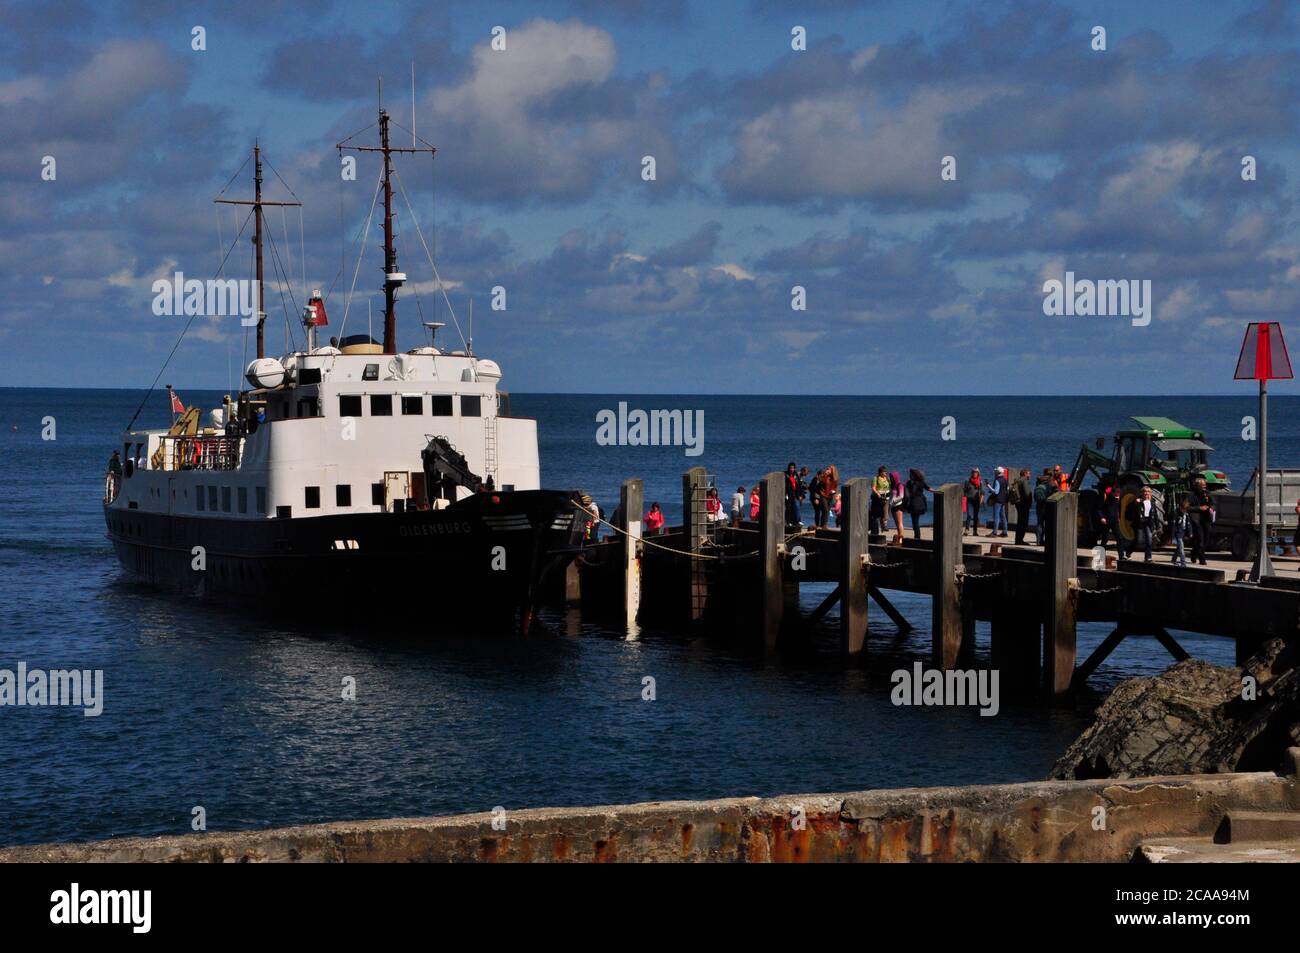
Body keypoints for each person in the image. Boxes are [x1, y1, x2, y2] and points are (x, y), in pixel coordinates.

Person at [1127, 485, 1162, 562]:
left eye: (1148, 492)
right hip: (1139, 523)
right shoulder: (1138, 501)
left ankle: (1148, 558)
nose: (1146, 493)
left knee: (1149, 541)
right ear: (1142, 493)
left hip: (1148, 523)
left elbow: (1155, 515)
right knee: (1138, 541)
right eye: (1145, 492)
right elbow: (1129, 509)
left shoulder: (1152, 502)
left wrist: (1157, 525)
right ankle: (1128, 553)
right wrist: (1135, 502)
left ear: (1150, 493)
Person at [1186, 476, 1214, 565]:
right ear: (1197, 486)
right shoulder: (1191, 495)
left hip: (1206, 518)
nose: (1204, 487)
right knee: (1200, 539)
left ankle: (1194, 552)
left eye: (1205, 485)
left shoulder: (1207, 494)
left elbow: (1213, 504)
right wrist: (1199, 508)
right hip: (1196, 519)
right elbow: (1186, 507)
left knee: (1206, 539)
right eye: (1202, 485)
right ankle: (1202, 559)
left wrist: (1211, 508)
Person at [904, 468, 931, 540]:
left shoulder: (910, 483)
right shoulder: (921, 482)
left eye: (910, 474)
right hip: (921, 503)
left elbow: (906, 494)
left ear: (913, 475)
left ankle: (917, 537)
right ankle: (917, 536)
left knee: (915, 522)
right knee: (916, 521)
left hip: (914, 504)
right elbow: (929, 489)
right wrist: (937, 492)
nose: (909, 476)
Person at [1010, 468, 1032, 545]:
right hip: (1023, 504)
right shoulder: (1024, 481)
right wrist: (1029, 503)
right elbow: (1027, 494)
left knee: (1020, 522)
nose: (1030, 475)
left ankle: (1018, 539)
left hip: (1018, 503)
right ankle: (1020, 540)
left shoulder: (1017, 480)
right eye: (1029, 473)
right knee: (1024, 522)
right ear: (1025, 474)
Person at [987, 467, 1009, 537]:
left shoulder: (997, 480)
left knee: (996, 516)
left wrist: (988, 486)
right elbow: (1007, 489)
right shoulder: (1005, 480)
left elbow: (996, 492)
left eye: (995, 472)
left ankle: (994, 532)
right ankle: (1005, 532)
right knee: (1003, 516)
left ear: (997, 473)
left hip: (997, 500)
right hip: (1003, 500)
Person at [1170, 498, 1191, 567]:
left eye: (1186, 509)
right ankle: (1183, 562)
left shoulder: (1186, 514)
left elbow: (1188, 524)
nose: (1184, 510)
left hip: (1183, 532)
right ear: (1180, 507)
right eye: (1183, 509)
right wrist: (1172, 536)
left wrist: (1190, 533)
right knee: (1181, 547)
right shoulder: (1176, 513)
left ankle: (1174, 559)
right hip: (1177, 532)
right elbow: (1173, 525)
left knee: (1179, 548)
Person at [963, 468, 983, 535]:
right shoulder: (967, 481)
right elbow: (964, 491)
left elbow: (982, 492)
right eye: (973, 472)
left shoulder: (980, 481)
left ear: (978, 474)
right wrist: (964, 497)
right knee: (969, 515)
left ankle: (975, 531)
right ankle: (967, 529)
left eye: (976, 472)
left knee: (976, 516)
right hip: (969, 500)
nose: (974, 473)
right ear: (971, 473)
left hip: (977, 500)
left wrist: (981, 500)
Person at [871, 466, 890, 535]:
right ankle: (876, 529)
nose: (886, 473)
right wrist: (878, 494)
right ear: (881, 472)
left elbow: (889, 487)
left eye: (886, 472)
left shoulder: (887, 478)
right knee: (877, 513)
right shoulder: (875, 478)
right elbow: (873, 488)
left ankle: (884, 526)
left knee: (885, 512)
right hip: (878, 498)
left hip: (886, 498)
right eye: (885, 472)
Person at [888, 470, 906, 544]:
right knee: (896, 523)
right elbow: (891, 495)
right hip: (893, 506)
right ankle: (898, 537)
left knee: (899, 522)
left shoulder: (900, 485)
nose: (891, 478)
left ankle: (901, 539)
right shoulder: (892, 485)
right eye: (890, 477)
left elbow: (901, 496)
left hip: (898, 505)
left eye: (892, 477)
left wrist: (893, 501)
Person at [785, 462, 801, 530]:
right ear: (788, 468)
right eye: (790, 468)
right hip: (788, 494)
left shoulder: (796, 475)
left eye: (793, 468)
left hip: (795, 494)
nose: (791, 469)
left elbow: (799, 485)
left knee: (797, 507)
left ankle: (797, 521)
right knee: (788, 508)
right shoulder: (785, 475)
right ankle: (789, 522)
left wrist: (801, 495)